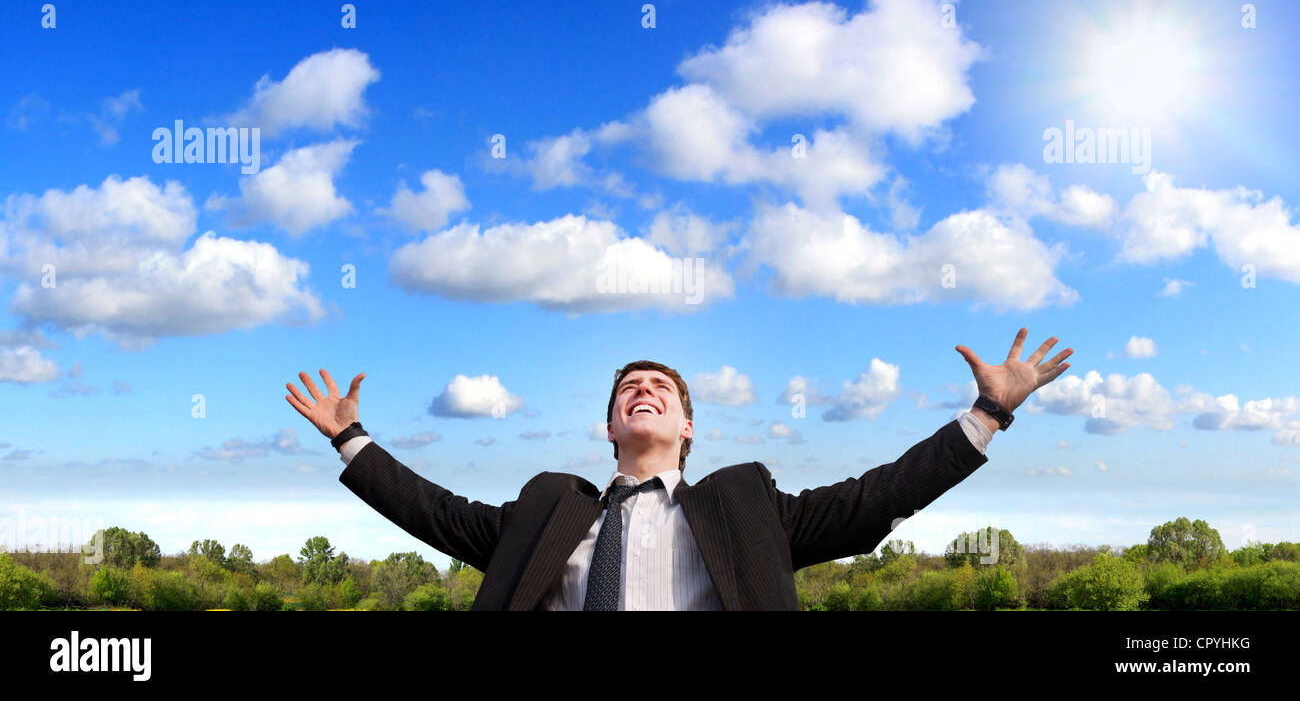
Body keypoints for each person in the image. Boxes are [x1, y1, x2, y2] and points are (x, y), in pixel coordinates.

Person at [285, 327, 1071, 610]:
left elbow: (877, 499)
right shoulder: (549, 510)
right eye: (629, 387)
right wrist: (350, 437)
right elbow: (436, 513)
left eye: (660, 387)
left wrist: (988, 415)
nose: (644, 389)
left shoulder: (747, 506)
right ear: (610, 426)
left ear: (688, 427)